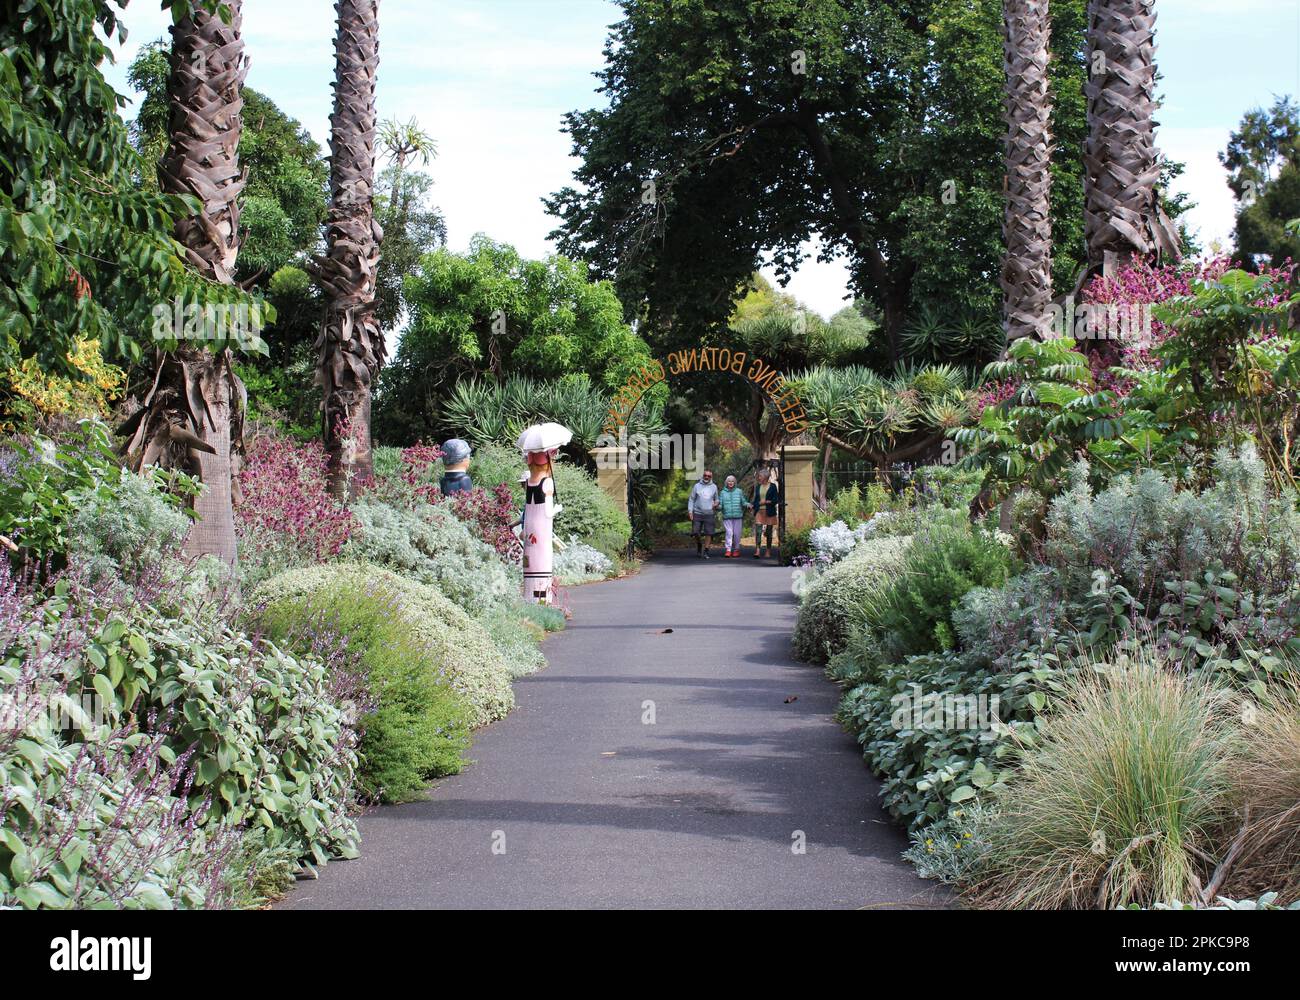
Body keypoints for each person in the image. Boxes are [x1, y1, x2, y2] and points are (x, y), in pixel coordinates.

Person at [687, 469, 720, 559]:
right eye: (705, 475)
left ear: (711, 477)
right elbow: (691, 499)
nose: (707, 477)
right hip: (697, 513)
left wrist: (716, 503)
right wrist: (690, 511)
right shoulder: (697, 486)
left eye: (709, 476)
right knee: (696, 532)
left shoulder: (714, 487)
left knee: (709, 533)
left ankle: (706, 551)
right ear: (703, 476)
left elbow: (717, 499)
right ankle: (699, 545)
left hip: (709, 513)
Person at [751, 466, 781, 559]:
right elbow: (755, 500)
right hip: (759, 511)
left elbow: (776, 499)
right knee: (758, 531)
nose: (758, 477)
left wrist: (767, 502)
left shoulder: (772, 486)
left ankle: (768, 550)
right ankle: (757, 550)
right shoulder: (758, 486)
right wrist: (755, 505)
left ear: (765, 477)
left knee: (768, 532)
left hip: (770, 511)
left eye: (760, 476)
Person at [717, 474, 749, 557]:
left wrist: (748, 504)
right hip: (727, 517)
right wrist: (716, 506)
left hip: (738, 516)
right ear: (726, 483)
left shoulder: (739, 491)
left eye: (732, 481)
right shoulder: (723, 492)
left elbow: (743, 502)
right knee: (729, 533)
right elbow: (720, 505)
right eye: (729, 481)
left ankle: (736, 549)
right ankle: (728, 550)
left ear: (735, 483)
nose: (730, 483)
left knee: (737, 534)